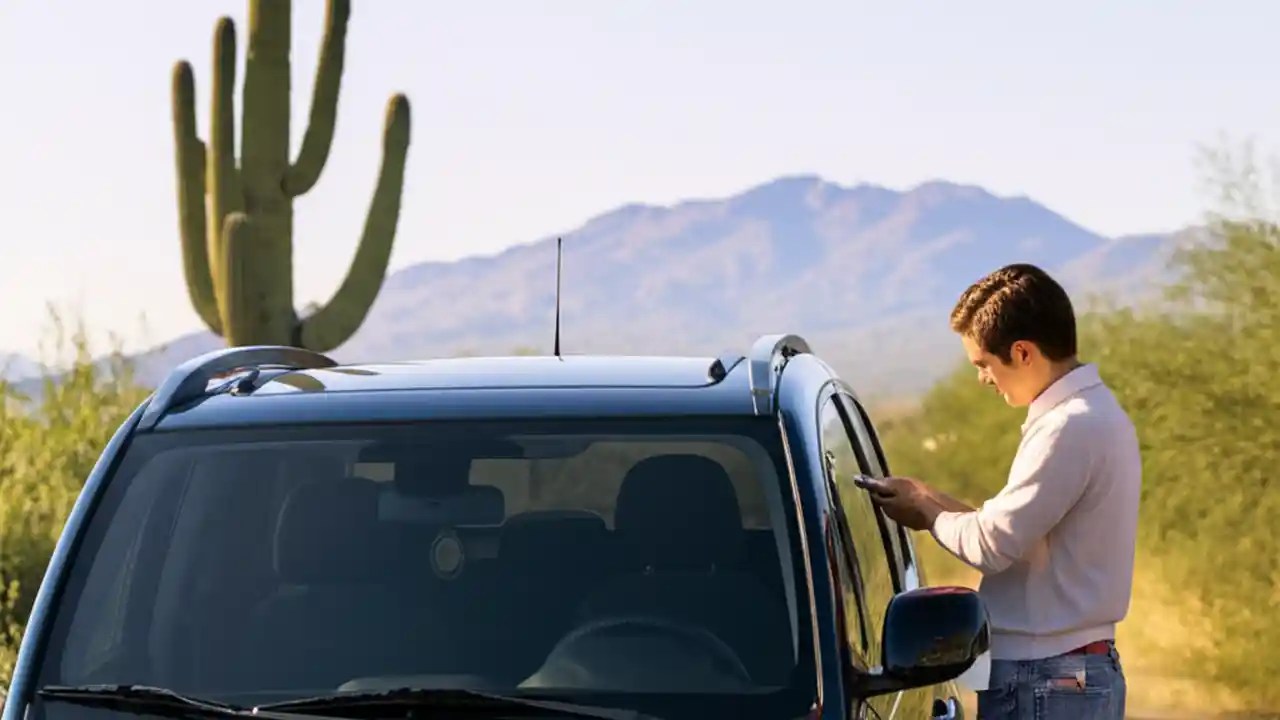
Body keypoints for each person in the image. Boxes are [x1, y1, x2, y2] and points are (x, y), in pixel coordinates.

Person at [865, 263, 1141, 719]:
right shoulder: (1094, 414)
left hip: (1048, 680)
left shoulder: (1068, 428)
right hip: (1064, 675)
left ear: (1023, 352)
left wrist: (928, 513)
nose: (982, 379)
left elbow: (993, 546)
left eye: (984, 364)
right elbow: (1017, 535)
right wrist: (927, 497)